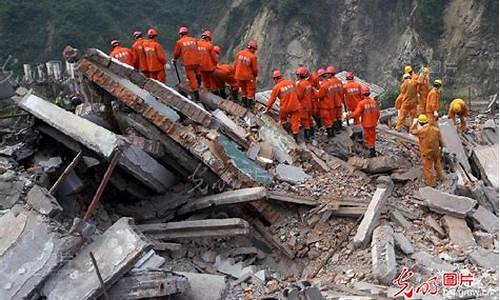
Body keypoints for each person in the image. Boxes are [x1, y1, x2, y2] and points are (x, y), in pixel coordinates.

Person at [264, 70, 302, 142]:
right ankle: (295, 140)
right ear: (281, 76)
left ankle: (286, 133)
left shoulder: (276, 87)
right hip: (295, 106)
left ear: (275, 79)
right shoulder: (290, 82)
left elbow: (272, 100)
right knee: (295, 123)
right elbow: (298, 94)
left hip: (285, 107)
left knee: (283, 120)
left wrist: (267, 109)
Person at [410, 114, 444, 187]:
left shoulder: (421, 131)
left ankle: (431, 183)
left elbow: (412, 131)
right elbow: (441, 141)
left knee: (428, 168)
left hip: (427, 152)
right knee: (437, 164)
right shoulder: (436, 129)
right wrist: (441, 148)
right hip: (436, 151)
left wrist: (414, 123)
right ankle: (441, 177)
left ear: (420, 123)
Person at [345, 86, 380, 157]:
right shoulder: (374, 102)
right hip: (373, 123)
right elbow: (378, 113)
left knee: (367, 137)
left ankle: (370, 152)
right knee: (372, 137)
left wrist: (348, 116)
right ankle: (373, 150)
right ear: (369, 93)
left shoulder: (361, 103)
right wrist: (376, 120)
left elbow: (356, 113)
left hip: (366, 124)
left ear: (362, 94)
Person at [173, 26, 201, 100]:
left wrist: (175, 59)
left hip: (188, 64)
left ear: (180, 34)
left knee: (191, 79)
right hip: (197, 61)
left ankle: (197, 97)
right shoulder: (194, 40)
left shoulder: (179, 42)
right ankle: (200, 84)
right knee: (198, 72)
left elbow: (176, 53)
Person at [234, 40, 258, 109]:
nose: (255, 51)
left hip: (238, 75)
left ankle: (244, 104)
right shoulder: (253, 57)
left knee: (243, 89)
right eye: (255, 49)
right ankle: (249, 106)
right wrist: (255, 75)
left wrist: (236, 73)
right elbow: (255, 70)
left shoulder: (239, 53)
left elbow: (235, 65)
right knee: (251, 90)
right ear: (253, 48)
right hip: (248, 77)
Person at [314, 68, 336, 137]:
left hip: (325, 106)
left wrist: (314, 90)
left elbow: (319, 95)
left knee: (327, 122)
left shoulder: (323, 86)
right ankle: (332, 134)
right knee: (331, 120)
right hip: (331, 105)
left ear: (321, 76)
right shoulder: (330, 83)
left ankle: (331, 136)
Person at [295, 67, 314, 141]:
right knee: (309, 119)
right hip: (309, 104)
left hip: (303, 105)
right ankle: (312, 134)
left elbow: (299, 96)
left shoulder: (300, 84)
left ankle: (307, 137)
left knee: (305, 121)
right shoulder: (308, 83)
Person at [325, 66, 344, 132]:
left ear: (330, 74)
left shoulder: (328, 83)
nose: (326, 75)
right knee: (339, 116)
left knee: (333, 118)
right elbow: (342, 92)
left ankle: (337, 130)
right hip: (339, 102)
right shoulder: (339, 82)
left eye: (327, 73)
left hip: (332, 103)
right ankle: (340, 128)